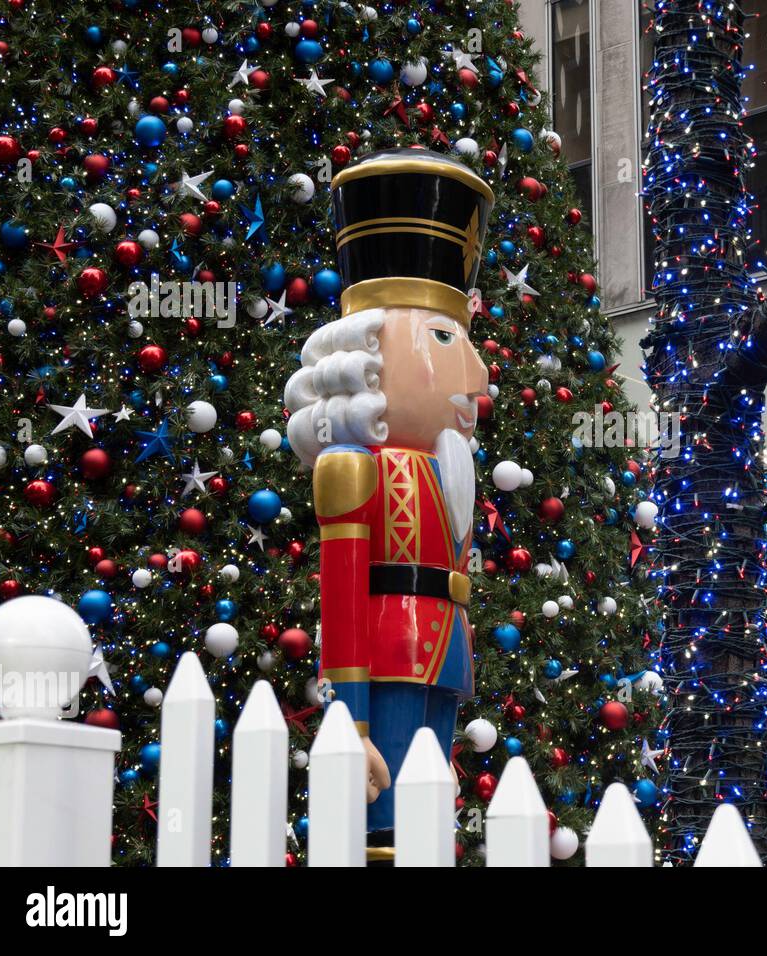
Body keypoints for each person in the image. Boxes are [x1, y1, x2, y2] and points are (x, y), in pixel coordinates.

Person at [284, 149, 492, 856]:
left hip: (443, 655)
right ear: (367, 354)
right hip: (390, 655)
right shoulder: (356, 467)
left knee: (428, 817)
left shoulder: (449, 464)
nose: (478, 372)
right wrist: (355, 728)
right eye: (443, 338)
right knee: (391, 827)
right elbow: (343, 598)